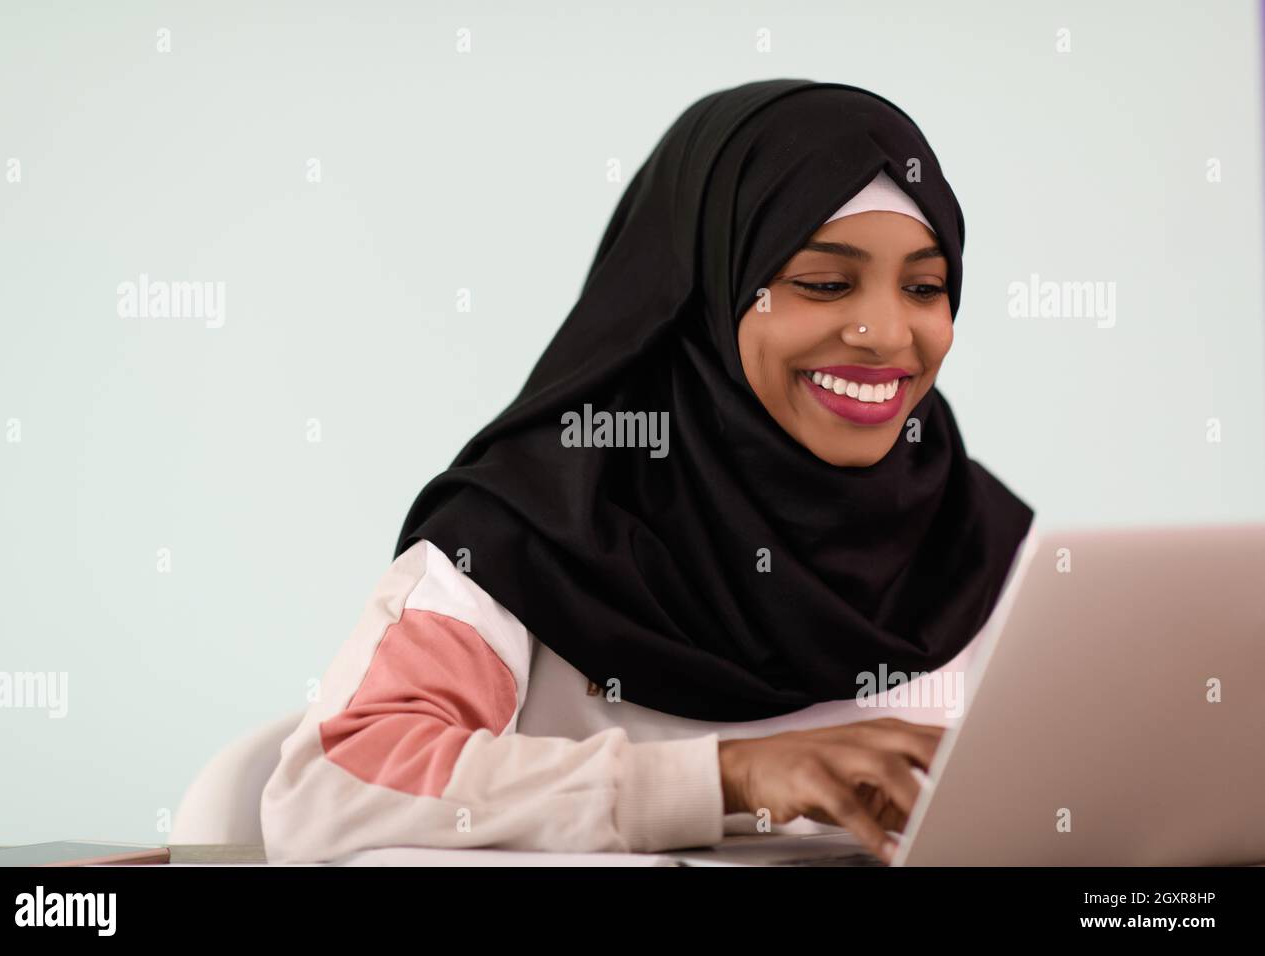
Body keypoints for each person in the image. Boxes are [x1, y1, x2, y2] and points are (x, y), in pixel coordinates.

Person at [260, 79, 1036, 865]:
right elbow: (330, 789)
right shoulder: (520, 535)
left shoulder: (990, 548)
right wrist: (723, 780)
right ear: (703, 290)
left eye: (925, 287)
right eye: (825, 284)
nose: (885, 333)